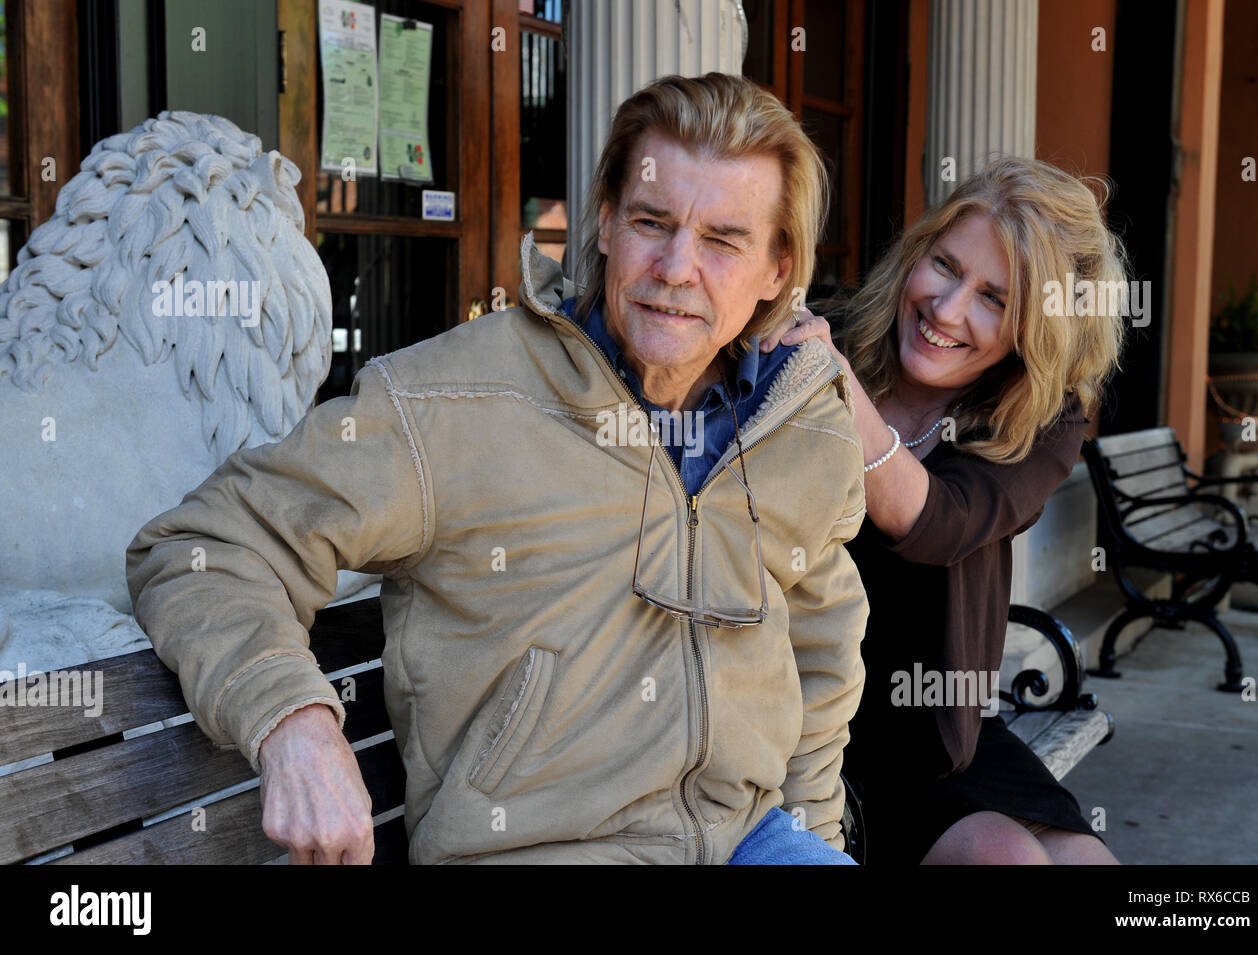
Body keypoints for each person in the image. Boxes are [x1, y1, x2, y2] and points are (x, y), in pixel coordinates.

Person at [125, 73, 869, 865]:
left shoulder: (794, 423)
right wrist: (291, 721)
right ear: (607, 224)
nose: (679, 267)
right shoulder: (453, 400)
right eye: (654, 222)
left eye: (723, 239)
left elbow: (822, 644)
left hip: (748, 841)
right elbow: (205, 546)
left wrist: (814, 840)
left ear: (776, 269)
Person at [764, 157, 1125, 864]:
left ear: (1034, 331)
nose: (948, 309)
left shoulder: (1040, 420)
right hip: (813, 721)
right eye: (945, 266)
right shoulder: (830, 335)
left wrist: (837, 389)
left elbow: (939, 523)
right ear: (916, 253)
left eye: (994, 298)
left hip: (937, 732)